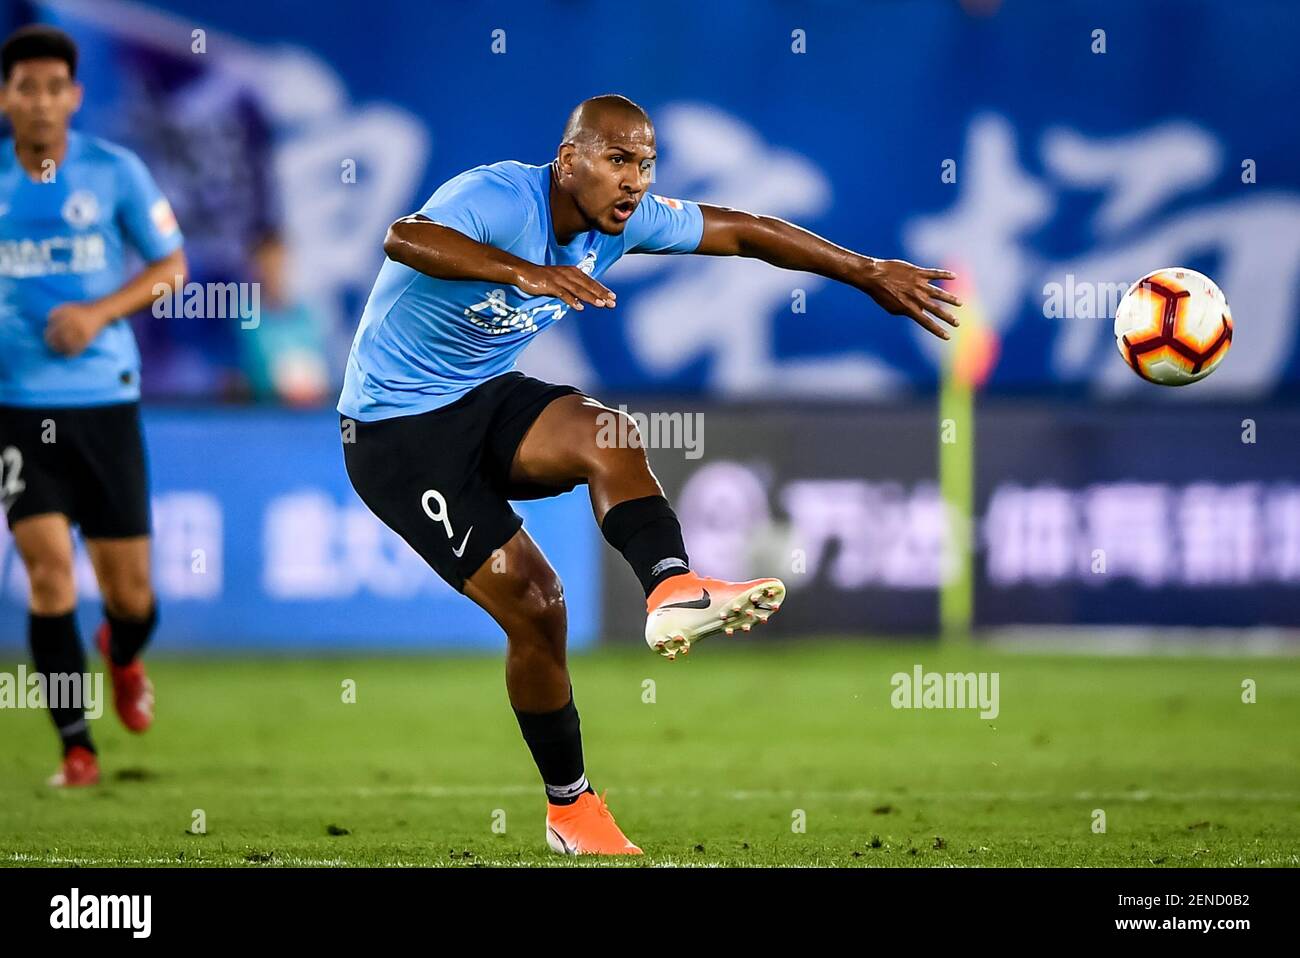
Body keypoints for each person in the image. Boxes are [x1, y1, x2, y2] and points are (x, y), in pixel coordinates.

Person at [338, 94, 959, 855]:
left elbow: (746, 232)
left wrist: (864, 271)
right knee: (537, 606)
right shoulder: (501, 196)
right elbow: (405, 237)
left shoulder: (627, 222)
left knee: (609, 435)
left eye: (645, 164)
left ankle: (671, 588)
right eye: (618, 160)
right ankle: (570, 806)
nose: (634, 182)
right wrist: (526, 274)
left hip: (479, 397)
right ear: (569, 161)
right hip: (396, 431)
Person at [0, 25, 187, 786]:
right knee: (48, 577)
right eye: (25, 87)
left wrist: (98, 314)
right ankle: (77, 747)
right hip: (15, 410)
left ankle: (126, 649)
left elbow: (172, 267)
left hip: (104, 404)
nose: (40, 102)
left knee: (131, 597)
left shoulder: (115, 173)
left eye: (54, 88)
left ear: (74, 96)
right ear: (6, 97)